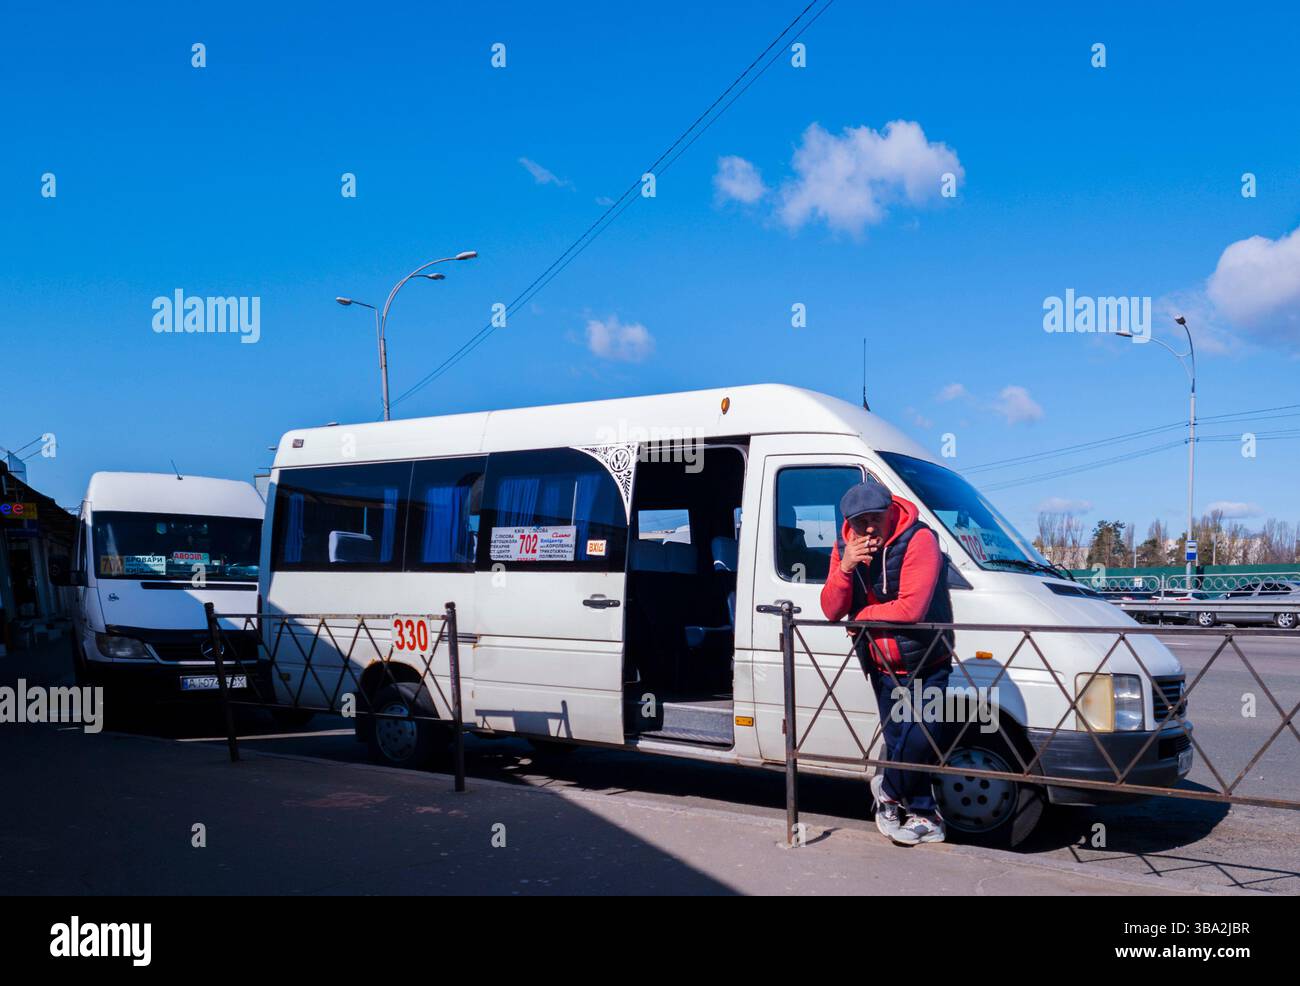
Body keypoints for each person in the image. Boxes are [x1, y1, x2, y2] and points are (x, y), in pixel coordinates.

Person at [820, 478, 954, 845]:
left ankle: (888, 793)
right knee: (898, 742)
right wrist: (845, 567)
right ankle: (924, 816)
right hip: (880, 664)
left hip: (927, 658)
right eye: (859, 521)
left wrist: (860, 617)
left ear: (890, 511)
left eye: (874, 519)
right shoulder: (845, 546)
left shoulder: (920, 539)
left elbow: (912, 608)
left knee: (923, 735)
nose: (867, 528)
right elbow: (831, 609)